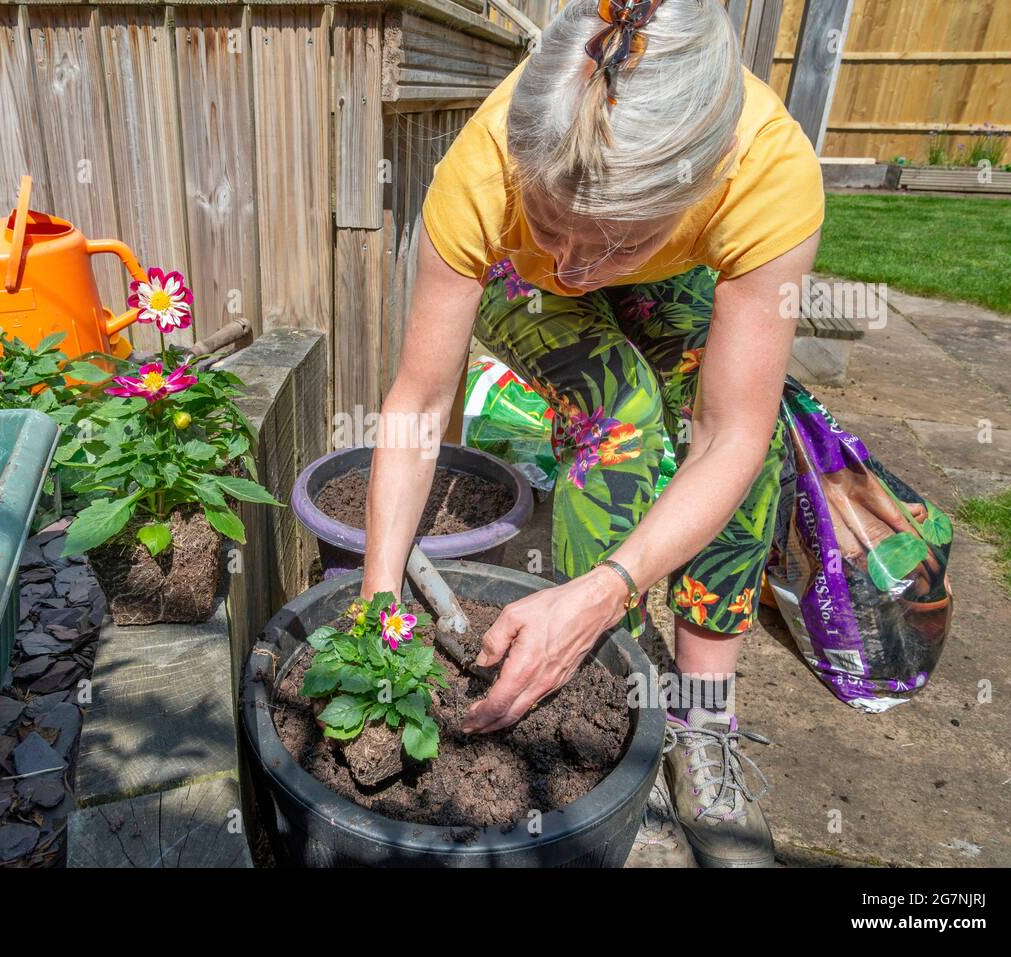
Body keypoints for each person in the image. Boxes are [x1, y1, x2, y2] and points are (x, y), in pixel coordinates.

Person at [358, 0, 824, 868]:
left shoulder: (768, 171)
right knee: (621, 410)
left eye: (609, 244)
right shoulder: (485, 168)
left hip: (673, 269)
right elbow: (419, 403)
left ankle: (698, 717)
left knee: (752, 441)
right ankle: (605, 699)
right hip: (517, 282)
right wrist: (378, 600)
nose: (573, 269)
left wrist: (611, 585)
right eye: (550, 226)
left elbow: (730, 434)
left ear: (701, 185)